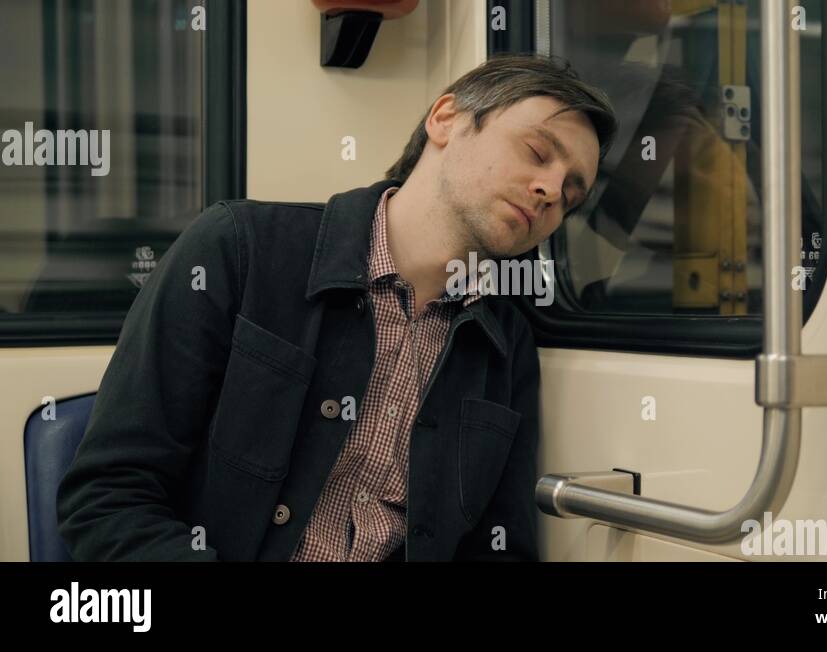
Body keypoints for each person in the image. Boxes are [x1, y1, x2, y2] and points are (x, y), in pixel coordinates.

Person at [56, 54, 618, 562]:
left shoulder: (507, 343)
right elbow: (108, 497)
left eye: (570, 195)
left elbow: (500, 547)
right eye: (537, 152)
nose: (549, 190)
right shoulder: (239, 248)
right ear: (445, 119)